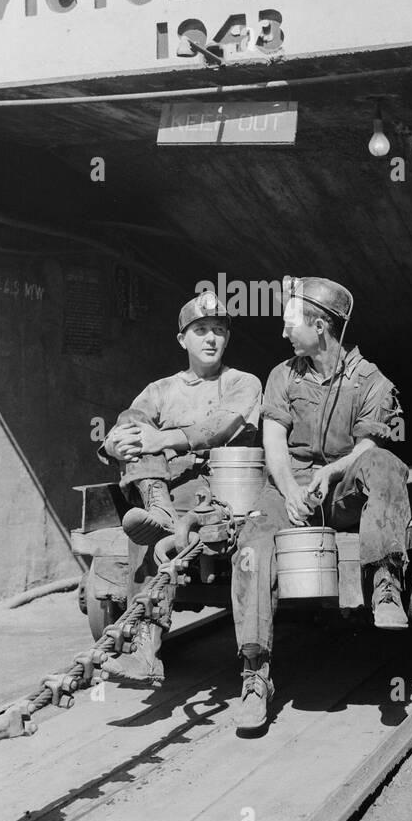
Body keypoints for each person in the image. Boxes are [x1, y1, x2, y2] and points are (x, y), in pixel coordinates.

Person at [230, 276, 410, 734]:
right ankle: (255, 676)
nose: (284, 331)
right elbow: (273, 439)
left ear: (321, 325)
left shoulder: (371, 382)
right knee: (251, 546)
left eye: (291, 321)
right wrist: (289, 487)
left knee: (387, 464)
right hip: (290, 488)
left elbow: (366, 449)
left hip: (342, 488)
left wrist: (329, 474)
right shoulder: (282, 375)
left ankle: (385, 582)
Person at [98, 289, 262, 682]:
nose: (210, 339)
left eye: (218, 330)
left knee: (151, 518)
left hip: (225, 489)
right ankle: (144, 651)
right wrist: (114, 442)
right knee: (144, 522)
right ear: (182, 339)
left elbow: (219, 427)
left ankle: (162, 516)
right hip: (170, 490)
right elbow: (130, 426)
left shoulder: (244, 383)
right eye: (201, 329)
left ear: (227, 338)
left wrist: (162, 439)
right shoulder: (161, 390)